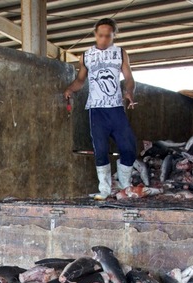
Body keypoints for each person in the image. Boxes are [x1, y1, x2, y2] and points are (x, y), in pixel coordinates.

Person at [64, 18, 138, 199]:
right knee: (100, 150)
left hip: (116, 108)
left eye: (108, 36)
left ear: (114, 36)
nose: (104, 39)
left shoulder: (120, 53)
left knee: (128, 148)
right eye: (100, 35)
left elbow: (128, 77)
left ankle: (124, 185)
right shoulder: (86, 56)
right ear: (95, 35)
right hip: (96, 110)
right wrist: (70, 89)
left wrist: (129, 92)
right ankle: (105, 189)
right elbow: (81, 80)